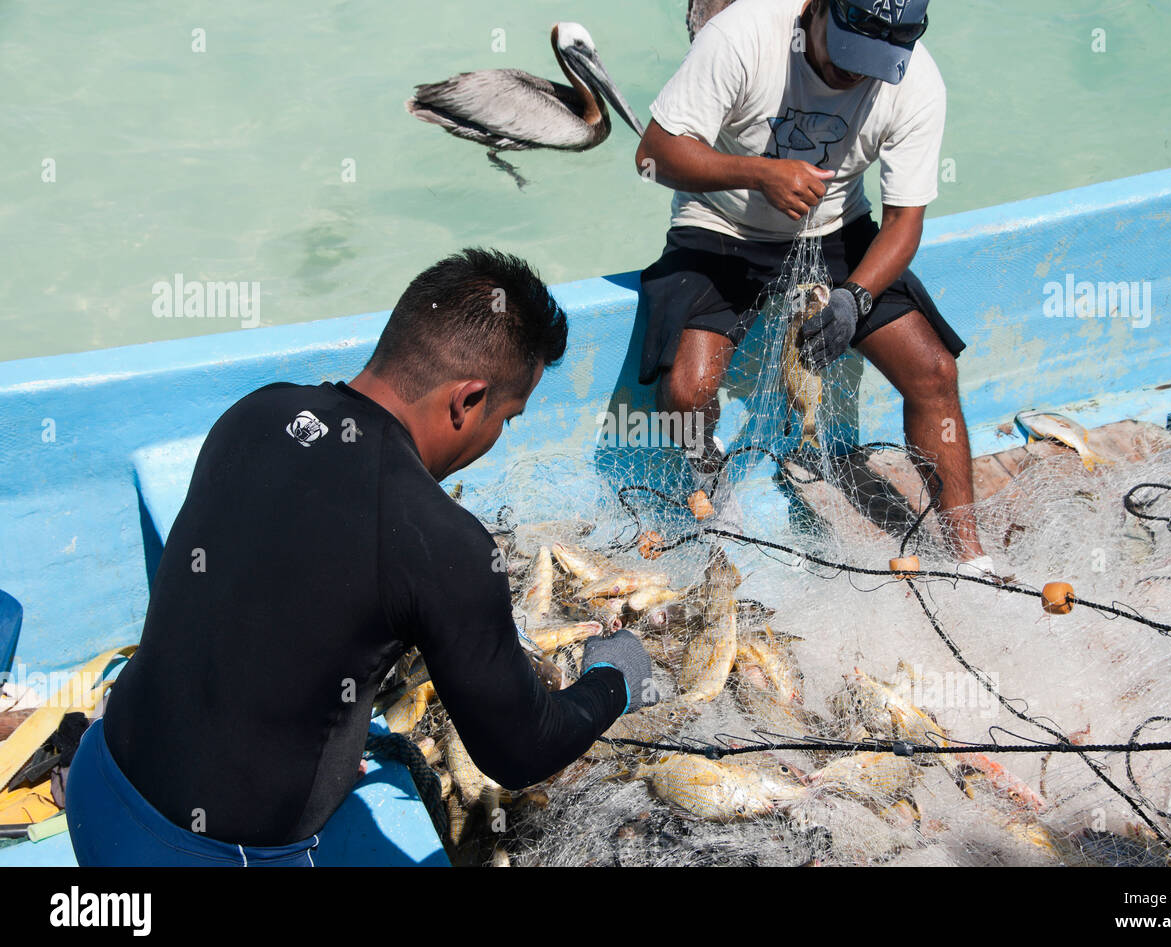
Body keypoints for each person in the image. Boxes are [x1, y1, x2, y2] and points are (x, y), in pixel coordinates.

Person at [65, 249, 653, 866]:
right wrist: (612, 679)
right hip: (200, 856)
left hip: (97, 778)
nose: (497, 435)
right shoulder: (442, 542)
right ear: (468, 400)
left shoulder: (258, 412)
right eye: (506, 418)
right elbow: (522, 751)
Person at [637, 0, 993, 572]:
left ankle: (968, 553)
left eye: (877, 61)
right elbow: (653, 155)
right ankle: (710, 479)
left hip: (833, 228)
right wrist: (758, 173)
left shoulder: (916, 79)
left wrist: (855, 298)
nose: (855, 74)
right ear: (819, 7)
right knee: (686, 393)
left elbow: (904, 223)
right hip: (719, 225)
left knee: (934, 371)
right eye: (849, 51)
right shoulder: (743, 35)